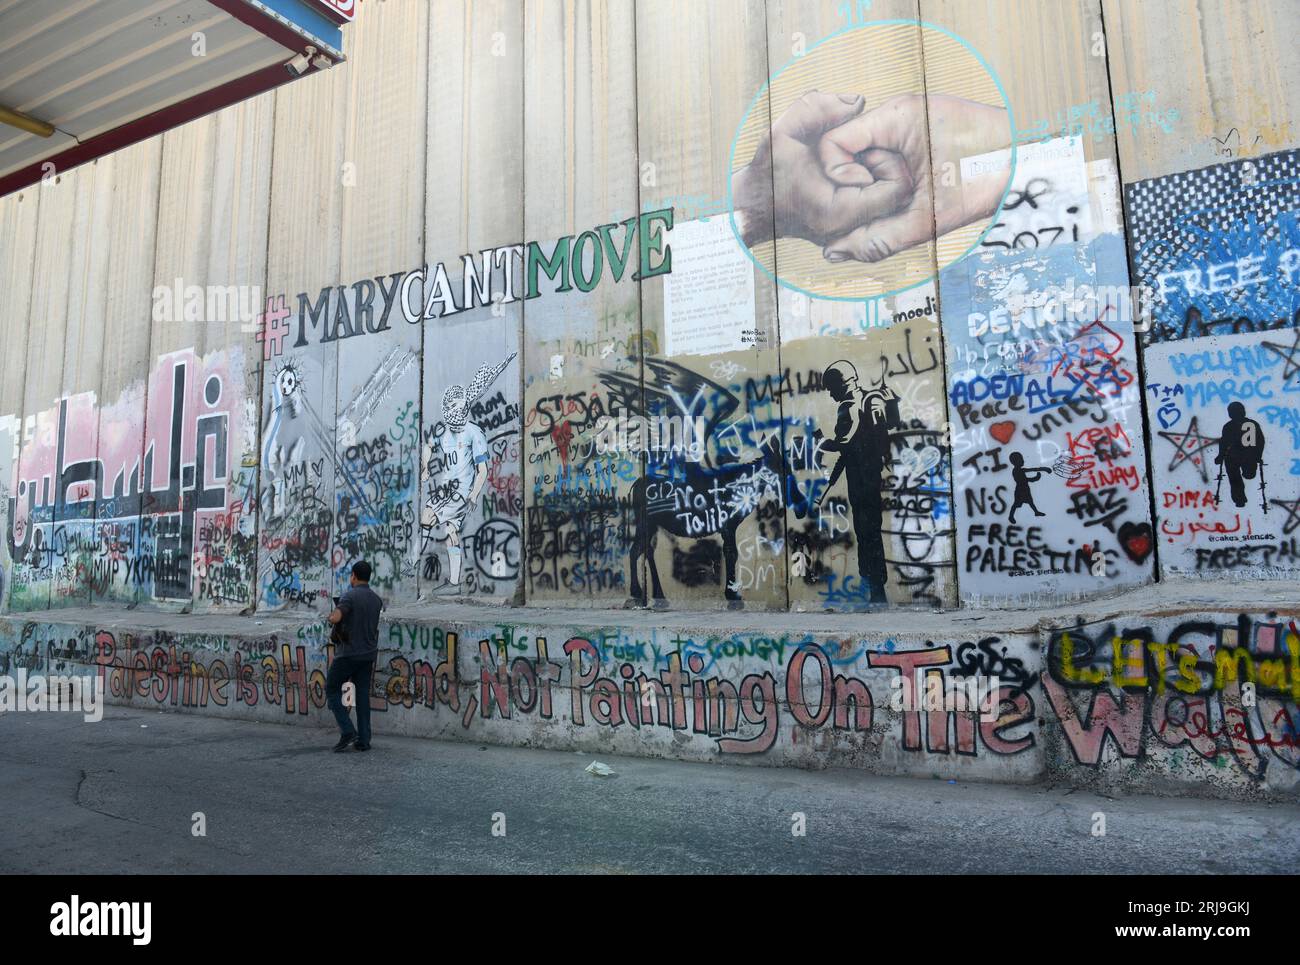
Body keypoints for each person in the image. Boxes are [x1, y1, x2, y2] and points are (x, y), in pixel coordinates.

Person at [813, 360, 899, 604]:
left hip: (861, 482)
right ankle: (875, 587)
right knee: (870, 532)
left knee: (866, 533)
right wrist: (832, 479)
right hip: (869, 478)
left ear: (843, 383)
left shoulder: (849, 408)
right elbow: (848, 454)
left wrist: (819, 440)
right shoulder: (867, 401)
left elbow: (843, 445)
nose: (830, 394)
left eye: (831, 388)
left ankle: (875, 590)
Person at [325, 561, 383, 751]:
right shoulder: (376, 599)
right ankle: (364, 740)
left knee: (331, 688)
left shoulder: (349, 596)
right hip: (367, 655)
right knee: (363, 696)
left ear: (354, 576)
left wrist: (331, 615)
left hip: (348, 654)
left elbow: (337, 617)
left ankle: (348, 730)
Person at [1215, 401, 1265, 508]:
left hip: (1232, 457)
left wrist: (1220, 456)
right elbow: (1261, 441)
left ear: (1230, 414)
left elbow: (1223, 443)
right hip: (1249, 455)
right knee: (1249, 474)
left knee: (1234, 478)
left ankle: (1239, 499)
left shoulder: (1228, 426)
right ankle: (1240, 498)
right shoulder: (1253, 424)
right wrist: (1258, 456)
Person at [1007, 452, 1048, 524]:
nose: (1023, 461)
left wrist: (1043, 469)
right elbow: (1025, 479)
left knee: (1030, 501)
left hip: (1025, 488)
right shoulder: (1017, 470)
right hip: (1020, 490)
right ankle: (1011, 516)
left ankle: (1036, 512)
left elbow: (1032, 470)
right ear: (1016, 462)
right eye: (1021, 459)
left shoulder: (1020, 470)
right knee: (1016, 504)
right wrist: (1036, 478)